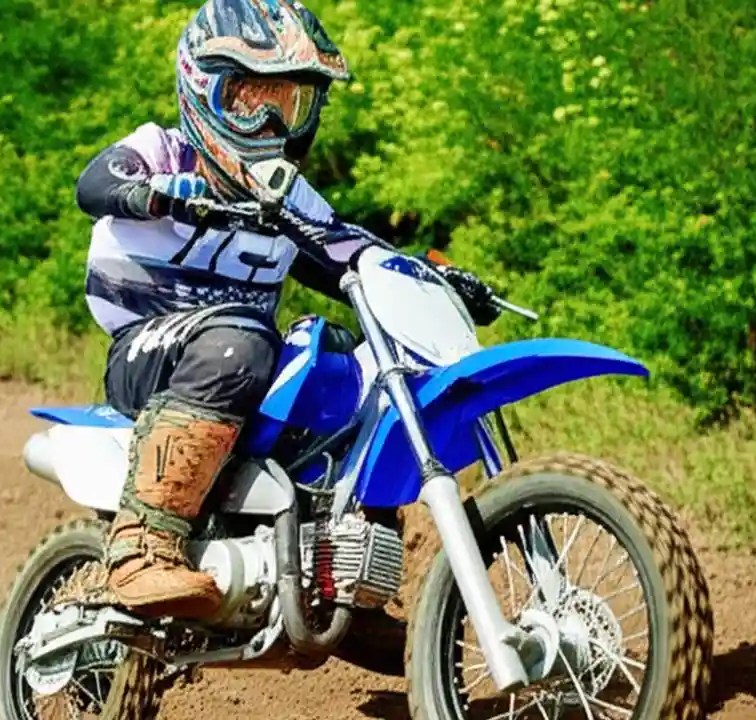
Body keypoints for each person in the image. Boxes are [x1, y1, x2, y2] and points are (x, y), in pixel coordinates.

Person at [74, 0, 501, 621]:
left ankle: (342, 592)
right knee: (241, 338)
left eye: (290, 102)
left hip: (238, 359)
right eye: (253, 98)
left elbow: (351, 251)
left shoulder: (288, 197)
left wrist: (434, 276)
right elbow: (95, 183)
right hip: (148, 350)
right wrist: (156, 194)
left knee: (352, 376)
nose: (272, 119)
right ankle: (142, 543)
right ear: (206, 90)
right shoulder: (164, 151)